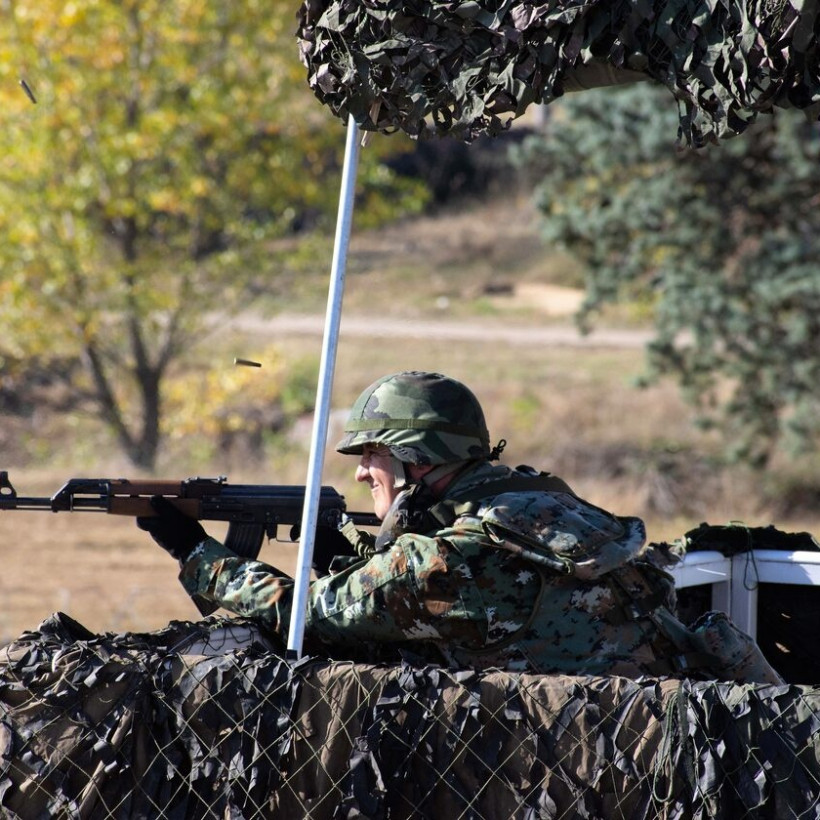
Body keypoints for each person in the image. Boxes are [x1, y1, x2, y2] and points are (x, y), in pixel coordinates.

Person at [138, 370, 782, 682]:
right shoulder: (540, 503)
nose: (364, 475)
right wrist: (352, 553)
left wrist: (196, 552)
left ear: (417, 460)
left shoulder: (453, 558)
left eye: (373, 456)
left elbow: (304, 615)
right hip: (672, 717)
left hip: (594, 754)